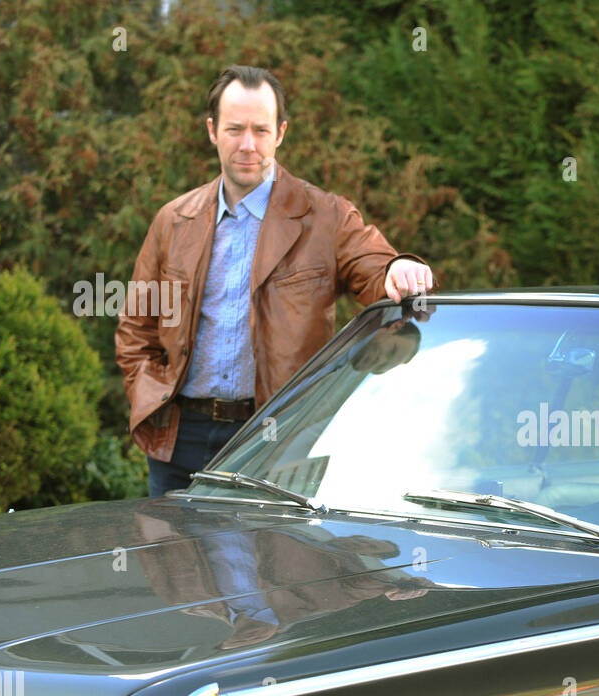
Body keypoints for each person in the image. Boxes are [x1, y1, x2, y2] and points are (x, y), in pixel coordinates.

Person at [115, 65, 434, 496]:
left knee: (268, 565)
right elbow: (136, 327)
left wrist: (397, 269)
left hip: (278, 439)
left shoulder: (326, 217)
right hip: (178, 440)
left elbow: (376, 268)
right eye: (234, 129)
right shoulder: (174, 220)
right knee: (174, 565)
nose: (248, 145)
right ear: (212, 131)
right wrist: (148, 396)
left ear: (280, 133)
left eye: (261, 131)